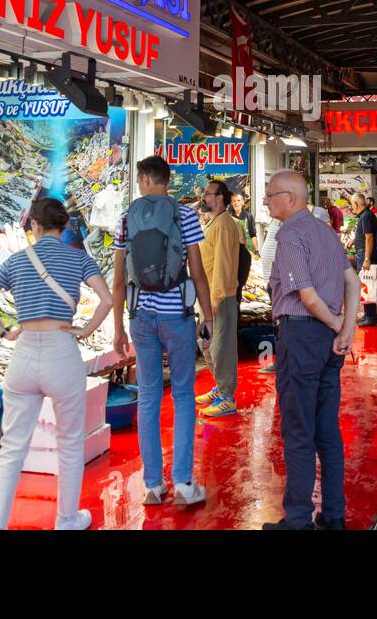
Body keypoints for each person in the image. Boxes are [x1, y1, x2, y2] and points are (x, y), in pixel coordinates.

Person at [0, 198, 114, 530]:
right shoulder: (79, 258)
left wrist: (5, 331)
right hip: (62, 351)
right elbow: (107, 300)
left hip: (23, 354)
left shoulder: (16, 260)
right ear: (63, 227)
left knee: (12, 448)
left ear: (33, 224)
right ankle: (66, 519)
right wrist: (85, 330)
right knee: (70, 441)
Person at [111, 155, 214, 507]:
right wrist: (209, 316)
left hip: (140, 317)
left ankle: (153, 485)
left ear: (143, 179)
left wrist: (117, 328)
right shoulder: (185, 215)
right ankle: (184, 483)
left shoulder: (127, 217)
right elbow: (197, 271)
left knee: (149, 397)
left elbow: (118, 279)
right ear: (167, 181)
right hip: (177, 317)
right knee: (184, 395)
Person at [261, 171, 359, 530]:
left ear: (290, 198)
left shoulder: (290, 234)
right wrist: (345, 330)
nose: (267, 201)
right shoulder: (325, 232)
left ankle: (298, 519)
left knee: (298, 430)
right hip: (328, 343)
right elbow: (353, 281)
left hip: (302, 337)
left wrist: (338, 327)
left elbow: (307, 296)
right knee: (327, 430)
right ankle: (334, 514)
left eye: (270, 195)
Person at [196, 179, 242, 419]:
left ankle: (227, 396)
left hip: (218, 298)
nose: (205, 197)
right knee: (207, 344)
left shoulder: (224, 225)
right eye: (205, 193)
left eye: (209, 194)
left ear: (220, 198)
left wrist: (215, 299)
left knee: (220, 347)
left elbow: (223, 265)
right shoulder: (215, 222)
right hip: (209, 297)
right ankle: (220, 386)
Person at [258, 213, 283, 374]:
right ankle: (281, 360)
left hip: (280, 283)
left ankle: (282, 361)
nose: (266, 202)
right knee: (277, 322)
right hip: (273, 282)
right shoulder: (276, 219)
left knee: (281, 324)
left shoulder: (288, 220)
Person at [352, 193, 377, 327]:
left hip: (365, 255)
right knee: (365, 285)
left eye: (353, 204)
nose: (352, 207)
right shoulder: (365, 216)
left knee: (367, 285)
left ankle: (371, 316)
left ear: (357, 204)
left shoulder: (366, 216)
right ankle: (368, 314)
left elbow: (369, 238)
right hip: (363, 254)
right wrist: (353, 240)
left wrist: (367, 259)